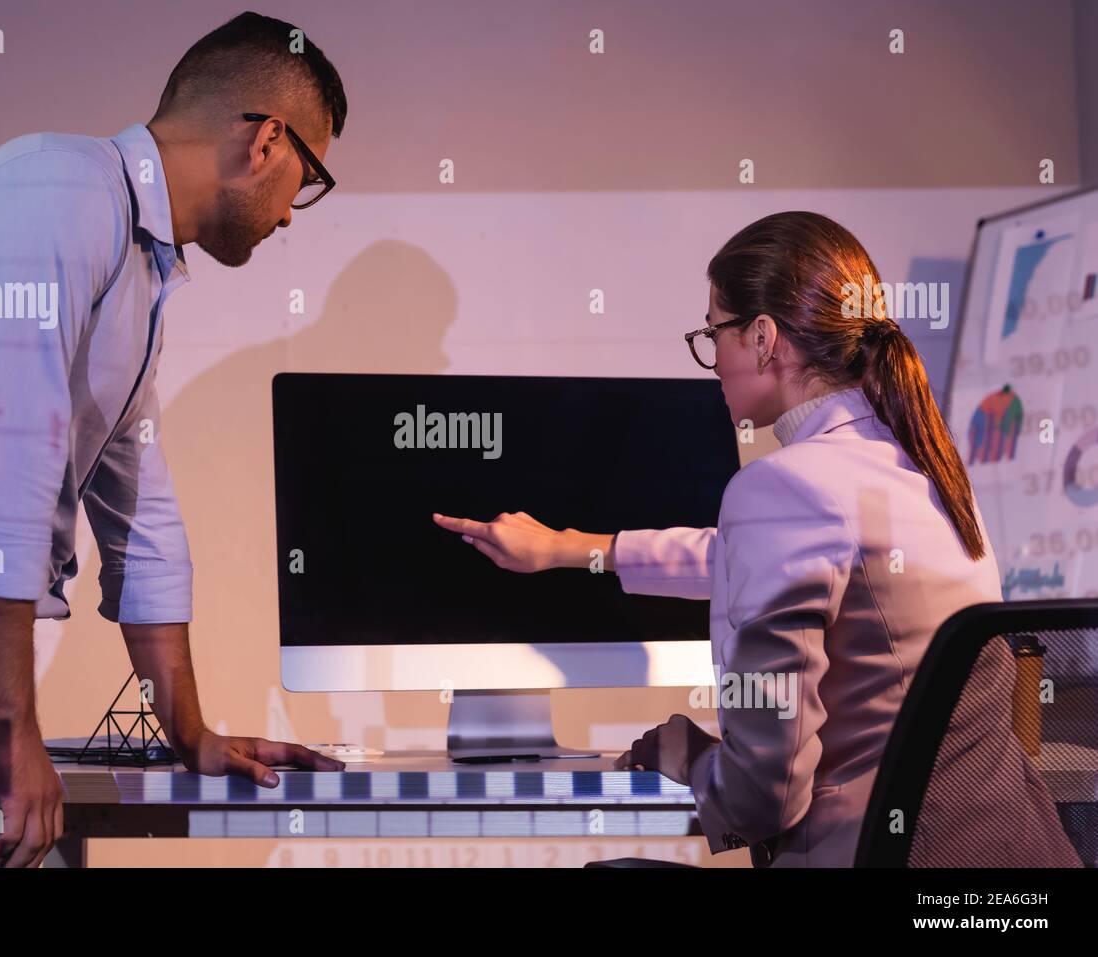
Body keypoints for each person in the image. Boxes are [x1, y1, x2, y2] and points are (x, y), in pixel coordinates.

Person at [0, 11, 346, 868]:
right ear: (269, 142)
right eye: (309, 180)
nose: (289, 217)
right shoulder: (55, 190)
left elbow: (143, 522)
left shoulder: (137, 266)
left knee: (53, 843)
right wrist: (18, 735)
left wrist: (191, 733)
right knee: (22, 849)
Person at [434, 211, 1080, 867]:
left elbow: (763, 797)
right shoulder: (924, 466)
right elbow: (739, 557)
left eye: (714, 332)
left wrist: (685, 754)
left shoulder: (785, 487)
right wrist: (569, 547)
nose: (713, 361)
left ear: (764, 337)